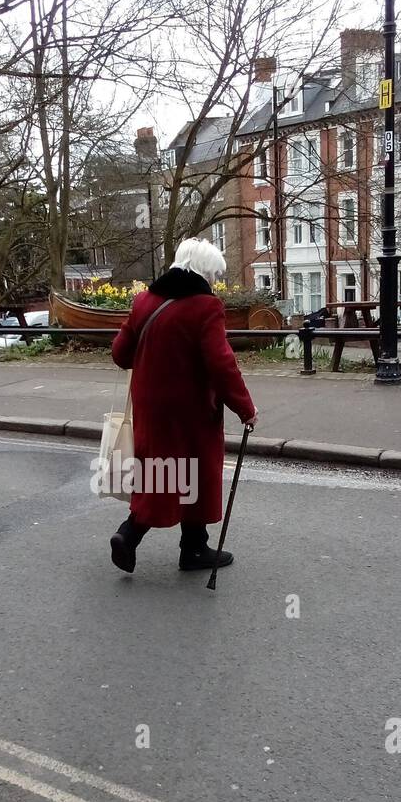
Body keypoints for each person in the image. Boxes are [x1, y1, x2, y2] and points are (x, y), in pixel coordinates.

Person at [109, 237, 258, 574]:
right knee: (197, 473)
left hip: (150, 407)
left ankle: (146, 537)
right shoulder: (205, 306)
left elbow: (120, 354)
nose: (216, 283)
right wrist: (246, 408)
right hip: (191, 412)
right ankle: (181, 546)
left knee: (161, 472)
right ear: (205, 272)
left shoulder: (144, 301)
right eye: (215, 276)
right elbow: (221, 364)